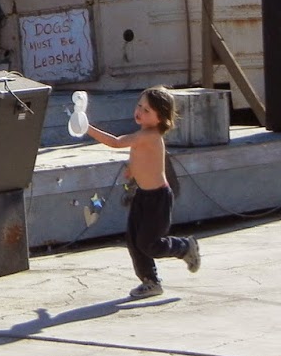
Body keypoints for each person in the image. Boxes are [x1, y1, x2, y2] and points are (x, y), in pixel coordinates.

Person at [83, 86, 201, 299]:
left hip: (158, 199)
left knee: (151, 244)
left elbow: (116, 142)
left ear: (160, 118)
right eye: (139, 105)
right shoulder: (142, 135)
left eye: (147, 110)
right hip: (143, 196)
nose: (140, 111)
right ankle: (150, 281)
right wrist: (132, 170)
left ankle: (184, 247)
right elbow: (140, 157)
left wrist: (86, 127)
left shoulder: (150, 135)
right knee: (134, 240)